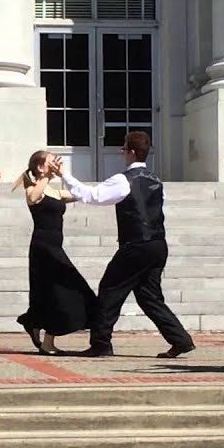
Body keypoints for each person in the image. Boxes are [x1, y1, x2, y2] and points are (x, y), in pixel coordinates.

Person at [52, 130, 195, 359]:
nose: (122, 153)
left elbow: (93, 196)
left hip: (136, 245)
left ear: (129, 152)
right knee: (149, 296)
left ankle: (101, 343)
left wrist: (65, 175)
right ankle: (181, 340)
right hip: (158, 244)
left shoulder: (123, 180)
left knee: (110, 289)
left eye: (123, 149)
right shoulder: (156, 180)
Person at [13, 150, 99, 354]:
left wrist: (103, 191)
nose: (55, 164)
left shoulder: (54, 190)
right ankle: (45, 338)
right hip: (43, 248)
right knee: (57, 292)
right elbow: (33, 198)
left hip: (55, 246)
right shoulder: (35, 188)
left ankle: (35, 324)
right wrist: (45, 177)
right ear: (40, 167)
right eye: (50, 162)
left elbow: (79, 195)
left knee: (51, 293)